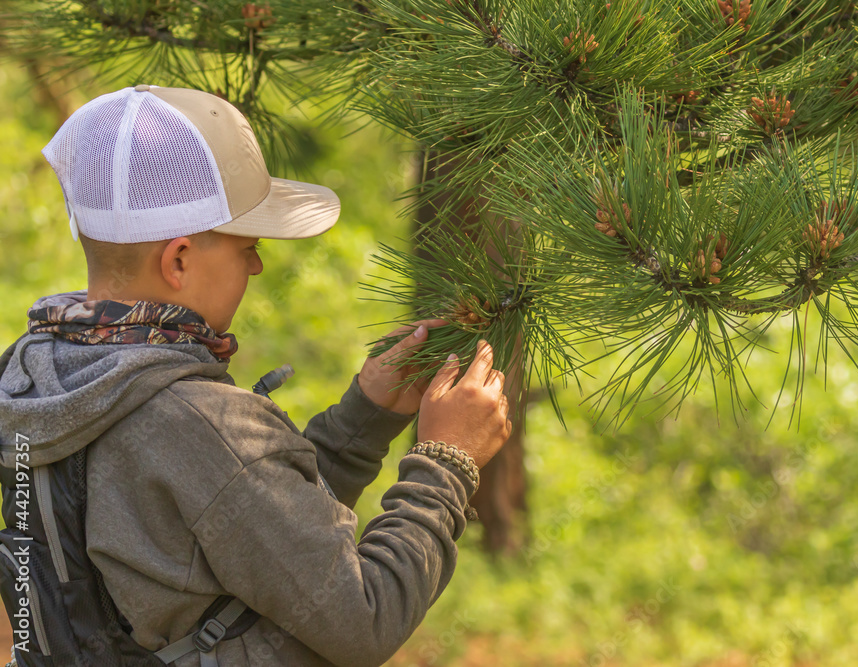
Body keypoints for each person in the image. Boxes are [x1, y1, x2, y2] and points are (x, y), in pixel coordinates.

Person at [0, 84, 512, 666]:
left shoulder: (39, 374)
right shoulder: (197, 420)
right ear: (180, 260)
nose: (258, 263)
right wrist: (447, 462)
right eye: (247, 244)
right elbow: (365, 617)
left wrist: (364, 418)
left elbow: (244, 525)